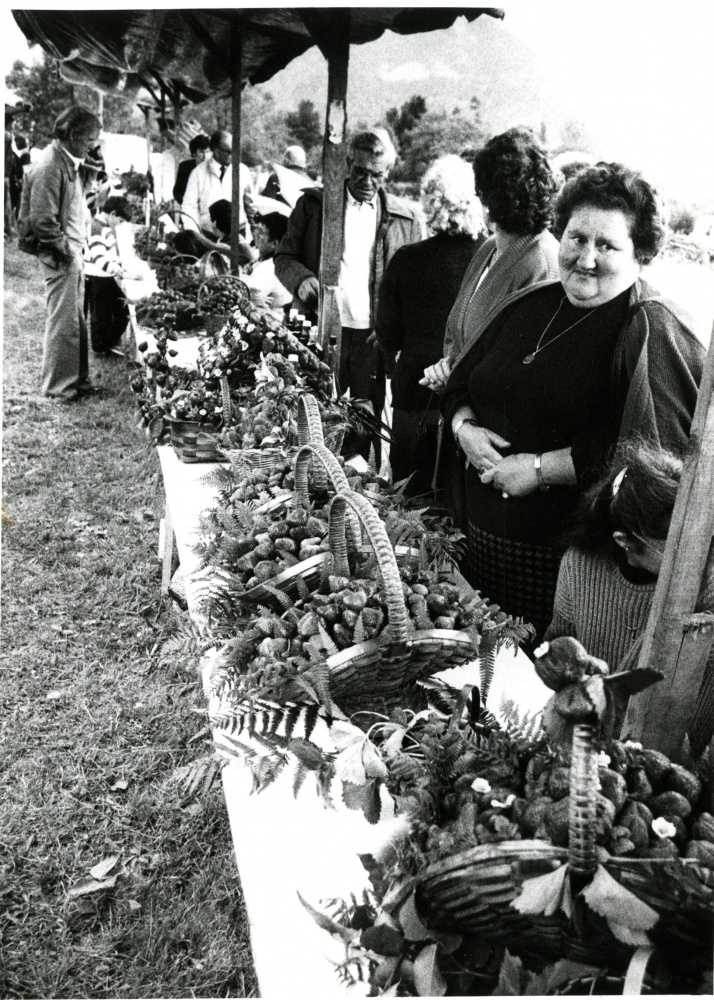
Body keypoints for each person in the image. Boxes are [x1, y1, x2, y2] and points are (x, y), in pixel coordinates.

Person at [440, 161, 704, 640]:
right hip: (482, 547)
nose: (586, 258)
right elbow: (460, 384)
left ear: (640, 254)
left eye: (607, 245)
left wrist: (538, 468)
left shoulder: (650, 326)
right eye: (578, 238)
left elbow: (652, 463)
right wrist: (465, 429)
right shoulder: (531, 302)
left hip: (564, 568)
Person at [426, 128, 560, 524]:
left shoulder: (544, 264)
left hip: (500, 454)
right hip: (464, 426)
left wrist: (457, 383)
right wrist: (447, 367)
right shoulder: (489, 247)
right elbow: (460, 335)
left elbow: (520, 370)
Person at [545, 440, 714, 753]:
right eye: (678, 549)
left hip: (678, 761)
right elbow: (559, 649)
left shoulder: (709, 584)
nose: (702, 558)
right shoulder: (580, 565)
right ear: (625, 540)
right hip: (591, 747)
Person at [274, 128, 423, 458]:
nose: (367, 182)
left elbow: (413, 284)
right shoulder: (315, 206)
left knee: (365, 423)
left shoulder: (404, 219)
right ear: (346, 164)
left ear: (387, 174)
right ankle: (313, 486)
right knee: (315, 415)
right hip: (322, 330)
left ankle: (358, 491)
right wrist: (301, 281)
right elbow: (284, 256)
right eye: (360, 171)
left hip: (372, 338)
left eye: (376, 175)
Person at [375, 154, 486, 497]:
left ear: (429, 203)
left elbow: (387, 334)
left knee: (407, 504)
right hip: (471, 409)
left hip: (413, 398)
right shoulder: (491, 260)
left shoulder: (407, 259)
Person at [17, 106, 102, 401]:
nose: (93, 145)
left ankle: (77, 381)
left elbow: (72, 204)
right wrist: (66, 251)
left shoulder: (67, 161)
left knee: (74, 319)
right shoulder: (51, 165)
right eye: (90, 139)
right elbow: (42, 220)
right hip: (61, 253)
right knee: (63, 322)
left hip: (71, 250)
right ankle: (59, 388)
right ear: (74, 135)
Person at [84, 195, 133, 357]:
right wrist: (116, 269)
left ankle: (109, 341)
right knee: (101, 315)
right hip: (97, 278)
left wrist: (119, 263)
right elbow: (99, 259)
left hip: (106, 276)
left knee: (123, 307)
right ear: (112, 214)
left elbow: (110, 252)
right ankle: (101, 346)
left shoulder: (104, 226)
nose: (119, 225)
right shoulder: (96, 228)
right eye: (119, 221)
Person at [182, 129, 254, 239]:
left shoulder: (243, 171)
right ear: (216, 151)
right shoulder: (198, 173)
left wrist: (254, 233)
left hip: (239, 235)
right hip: (209, 237)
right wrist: (195, 235)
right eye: (230, 151)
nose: (234, 155)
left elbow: (250, 205)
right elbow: (189, 207)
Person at [241, 212, 292, 320]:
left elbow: (247, 295)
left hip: (269, 325)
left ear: (275, 244)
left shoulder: (270, 268)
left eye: (261, 232)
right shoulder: (265, 259)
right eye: (257, 230)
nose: (256, 235)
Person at [173, 133, 209, 206]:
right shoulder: (185, 167)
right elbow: (177, 193)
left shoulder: (213, 168)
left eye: (207, 152)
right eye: (201, 151)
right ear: (194, 153)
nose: (205, 156)